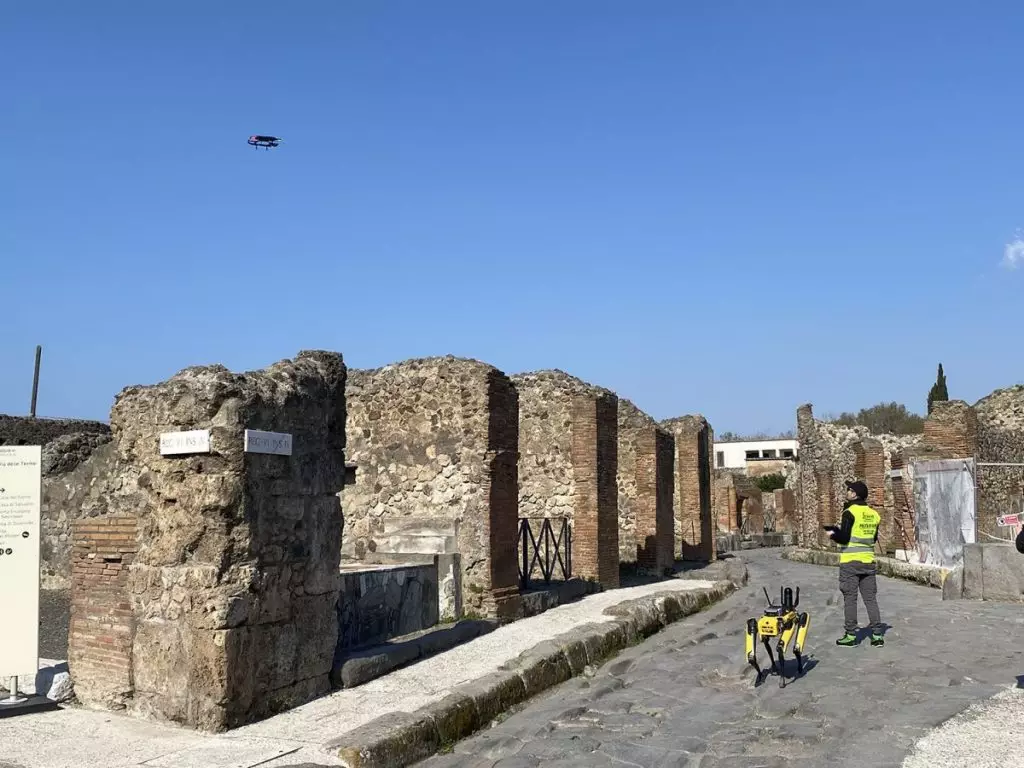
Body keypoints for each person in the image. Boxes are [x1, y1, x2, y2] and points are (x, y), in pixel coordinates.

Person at [823, 480, 884, 647]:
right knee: (870, 599)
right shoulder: (874, 514)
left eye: (849, 490)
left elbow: (844, 538)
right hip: (868, 561)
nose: (847, 492)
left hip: (850, 561)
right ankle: (877, 635)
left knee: (850, 598)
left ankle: (850, 635)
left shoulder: (849, 512)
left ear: (855, 494)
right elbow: (873, 538)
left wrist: (830, 531)